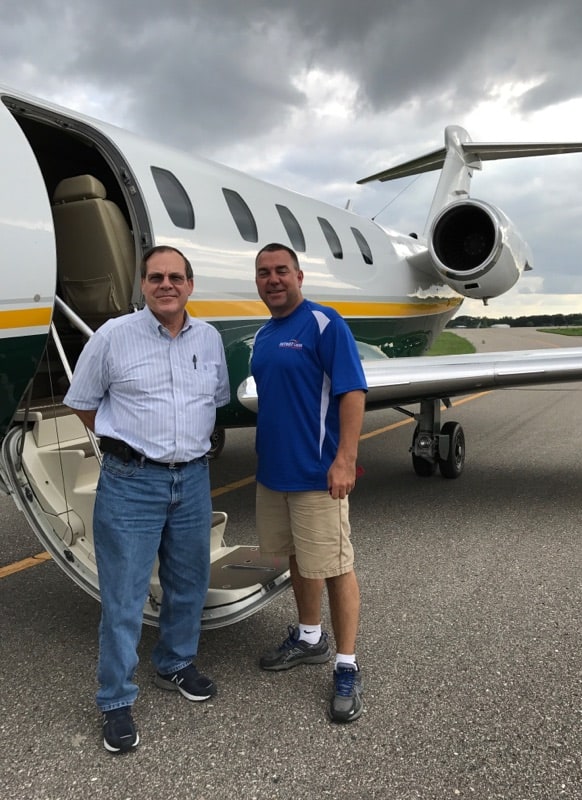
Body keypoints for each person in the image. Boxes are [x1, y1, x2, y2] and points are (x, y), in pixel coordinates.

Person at [64, 245, 230, 754]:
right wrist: (127, 442)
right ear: (142, 285)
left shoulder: (209, 339)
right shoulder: (112, 337)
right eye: (156, 277)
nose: (166, 285)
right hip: (132, 481)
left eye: (176, 277)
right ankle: (115, 699)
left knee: (189, 582)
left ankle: (175, 662)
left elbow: (215, 401)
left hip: (193, 479)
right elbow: (84, 404)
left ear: (190, 285)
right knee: (124, 597)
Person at [251, 242, 367, 723]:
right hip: (273, 476)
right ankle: (308, 637)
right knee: (299, 558)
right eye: (264, 273)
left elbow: (352, 391)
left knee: (336, 565)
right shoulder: (263, 335)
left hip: (317, 475)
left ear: (299, 276)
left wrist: (345, 460)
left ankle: (346, 665)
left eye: (282, 270)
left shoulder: (325, 323)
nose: (273, 279)